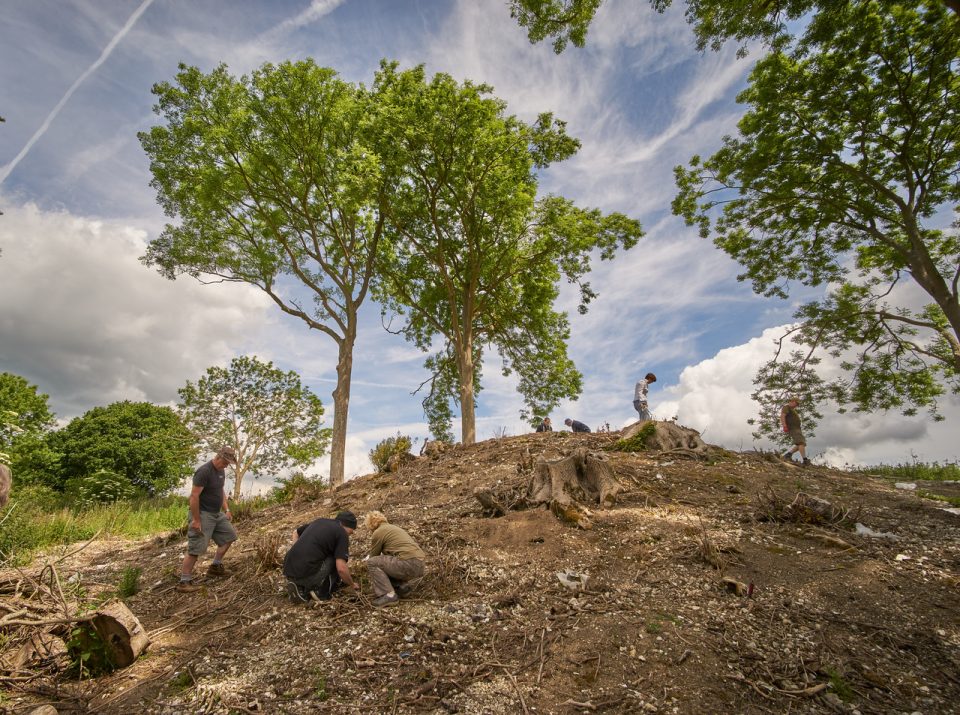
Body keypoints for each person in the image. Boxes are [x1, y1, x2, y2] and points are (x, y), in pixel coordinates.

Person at [177, 447, 238, 592]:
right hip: (203, 514)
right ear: (218, 457)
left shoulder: (220, 471)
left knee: (229, 536)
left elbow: (220, 490)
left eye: (229, 463)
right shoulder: (204, 471)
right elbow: (194, 496)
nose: (227, 465)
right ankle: (184, 581)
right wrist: (196, 520)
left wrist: (226, 509)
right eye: (225, 462)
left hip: (217, 514)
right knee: (196, 547)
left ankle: (215, 567)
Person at [283, 511, 360, 602]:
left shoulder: (319, 521)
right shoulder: (341, 533)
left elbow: (295, 533)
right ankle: (321, 591)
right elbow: (341, 569)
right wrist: (352, 584)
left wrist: (299, 553)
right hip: (307, 576)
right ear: (345, 525)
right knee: (335, 557)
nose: (350, 534)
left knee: (323, 553)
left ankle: (298, 586)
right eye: (351, 531)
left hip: (288, 571)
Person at [364, 511, 426, 608]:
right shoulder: (394, 528)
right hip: (420, 564)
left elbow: (373, 556)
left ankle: (389, 595)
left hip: (408, 563)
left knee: (372, 563)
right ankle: (402, 587)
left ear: (370, 524)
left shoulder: (378, 532)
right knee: (388, 561)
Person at [780, 398, 811, 467]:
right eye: (796, 403)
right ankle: (805, 460)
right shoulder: (786, 407)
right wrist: (784, 426)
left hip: (797, 428)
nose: (797, 405)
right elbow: (783, 416)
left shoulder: (793, 410)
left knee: (801, 443)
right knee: (801, 443)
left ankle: (788, 455)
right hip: (793, 428)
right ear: (792, 401)